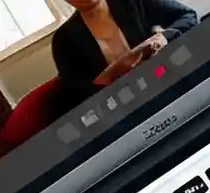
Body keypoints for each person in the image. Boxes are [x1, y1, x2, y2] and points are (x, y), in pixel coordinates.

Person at [51, 0, 198, 120]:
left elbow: (188, 16)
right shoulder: (64, 39)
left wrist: (164, 38)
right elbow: (75, 94)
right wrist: (108, 80)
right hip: (122, 110)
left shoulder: (132, 2)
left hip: (164, 81)